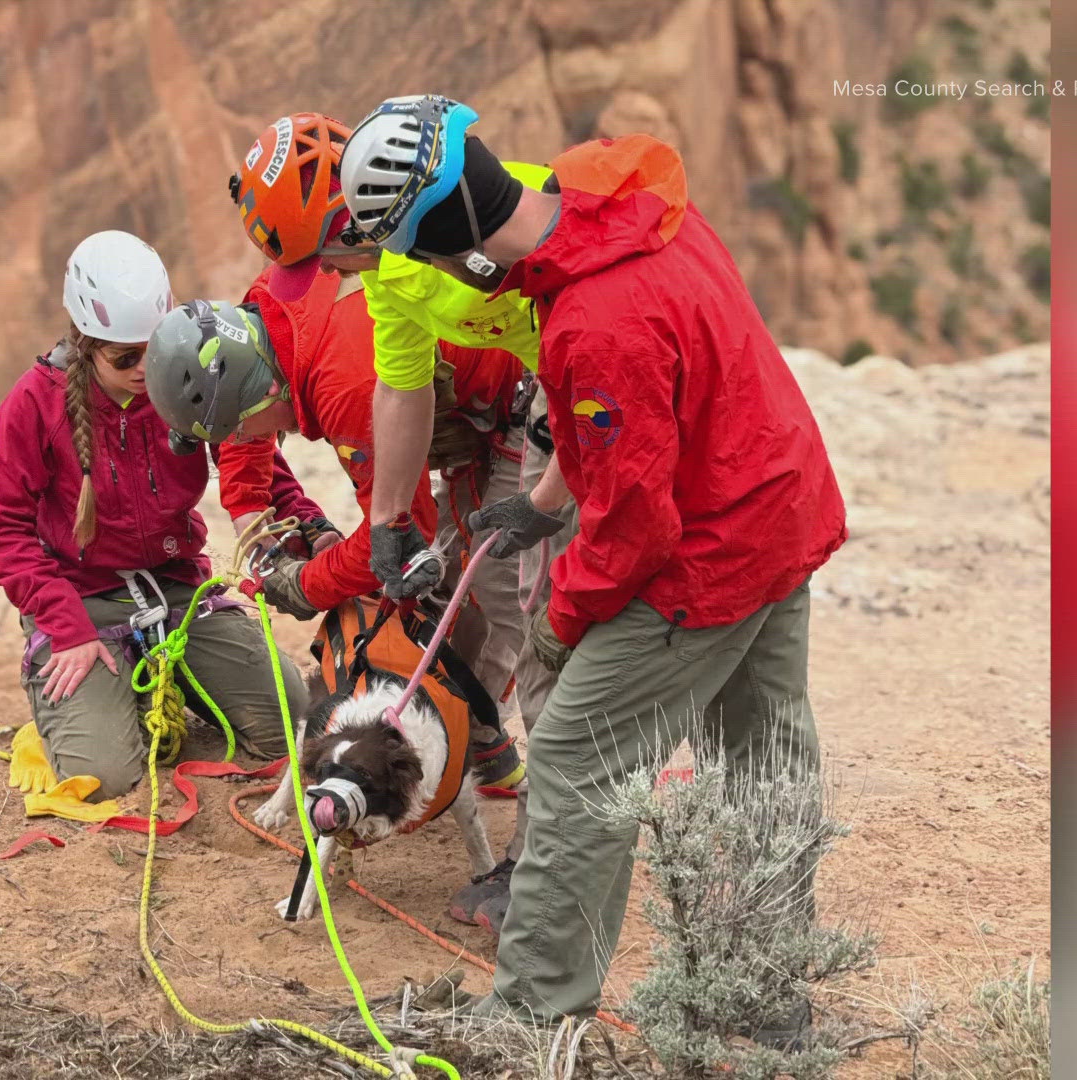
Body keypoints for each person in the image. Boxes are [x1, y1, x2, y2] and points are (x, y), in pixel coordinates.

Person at [337, 96, 848, 1037]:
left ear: (457, 245)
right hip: (782, 500)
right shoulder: (620, 196)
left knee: (575, 753)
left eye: (426, 256)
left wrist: (560, 623)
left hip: (714, 551)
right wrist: (535, 515)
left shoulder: (591, 322)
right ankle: (765, 1007)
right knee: (763, 753)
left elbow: (634, 531)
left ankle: (533, 1014)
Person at [225, 113, 568, 926]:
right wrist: (282, 527)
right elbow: (394, 406)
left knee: (530, 616)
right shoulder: (352, 277)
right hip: (487, 409)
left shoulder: (344, 360)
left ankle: (533, 849)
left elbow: (407, 523)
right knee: (457, 595)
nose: (324, 278)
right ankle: (467, 749)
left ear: (352, 225)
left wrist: (316, 576)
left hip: (538, 402)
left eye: (326, 260)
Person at [141, 272, 528, 791]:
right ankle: (437, 722)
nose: (236, 441)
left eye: (236, 429)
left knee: (480, 581)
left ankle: (475, 743)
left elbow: (400, 537)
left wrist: (305, 584)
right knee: (417, 585)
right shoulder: (264, 315)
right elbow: (236, 421)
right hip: (447, 403)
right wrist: (262, 528)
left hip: (512, 405)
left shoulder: (346, 385)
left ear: (266, 397)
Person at [0, 230, 319, 803]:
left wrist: (306, 522)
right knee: (105, 779)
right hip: (81, 602)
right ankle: (85, 699)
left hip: (178, 591)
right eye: (124, 358)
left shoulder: (188, 369)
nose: (143, 369)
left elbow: (251, 452)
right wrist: (65, 628)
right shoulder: (34, 404)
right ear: (86, 344)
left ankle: (169, 673)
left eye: (150, 348)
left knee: (293, 724)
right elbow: (0, 529)